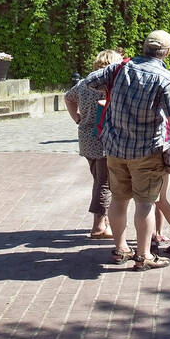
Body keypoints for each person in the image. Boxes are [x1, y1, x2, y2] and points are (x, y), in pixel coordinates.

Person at [76, 30, 170, 272]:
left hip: (115, 147)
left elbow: (88, 82)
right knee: (145, 202)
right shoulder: (165, 77)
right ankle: (144, 255)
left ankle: (120, 249)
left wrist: (111, 94)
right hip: (147, 150)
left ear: (144, 47)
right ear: (167, 52)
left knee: (119, 199)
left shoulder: (119, 68)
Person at [64, 49, 122, 239]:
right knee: (104, 183)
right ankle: (98, 226)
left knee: (98, 179)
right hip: (103, 139)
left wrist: (77, 117)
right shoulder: (108, 85)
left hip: (86, 138)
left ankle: (103, 221)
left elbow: (68, 97)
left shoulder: (83, 83)